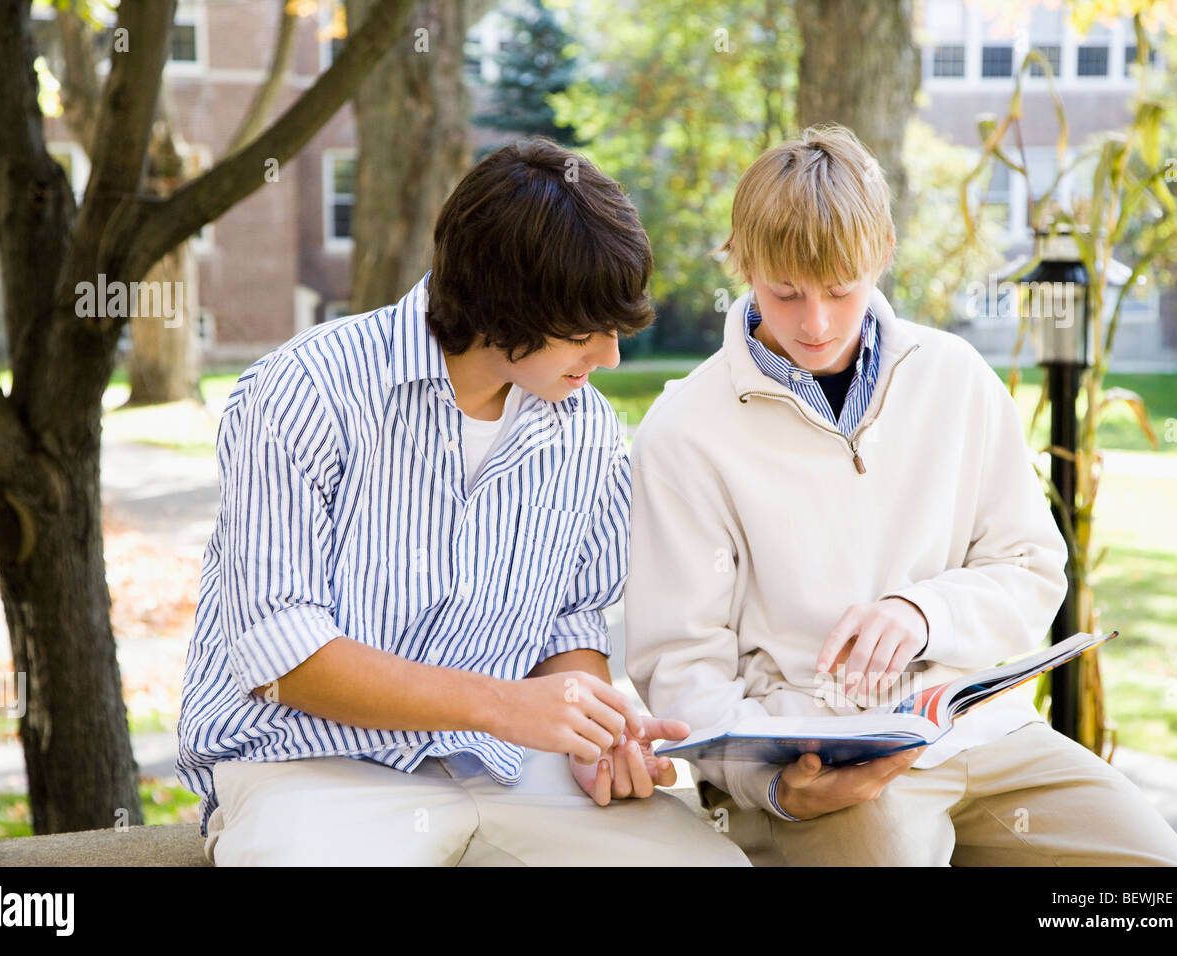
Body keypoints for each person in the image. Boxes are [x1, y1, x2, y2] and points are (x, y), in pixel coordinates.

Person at [625, 123, 1177, 866]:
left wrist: (923, 613)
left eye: (842, 289)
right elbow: (682, 667)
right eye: (785, 293)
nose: (817, 322)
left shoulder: (957, 378)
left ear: (884, 254)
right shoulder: (684, 430)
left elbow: (1030, 567)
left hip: (986, 736)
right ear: (740, 263)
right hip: (823, 773)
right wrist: (771, 788)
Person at [175, 137, 748, 867]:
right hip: (310, 768)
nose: (609, 358)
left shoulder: (587, 429)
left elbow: (570, 621)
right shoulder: (304, 394)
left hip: (507, 766)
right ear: (501, 310)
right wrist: (505, 706)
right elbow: (280, 654)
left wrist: (592, 734)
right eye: (585, 332)